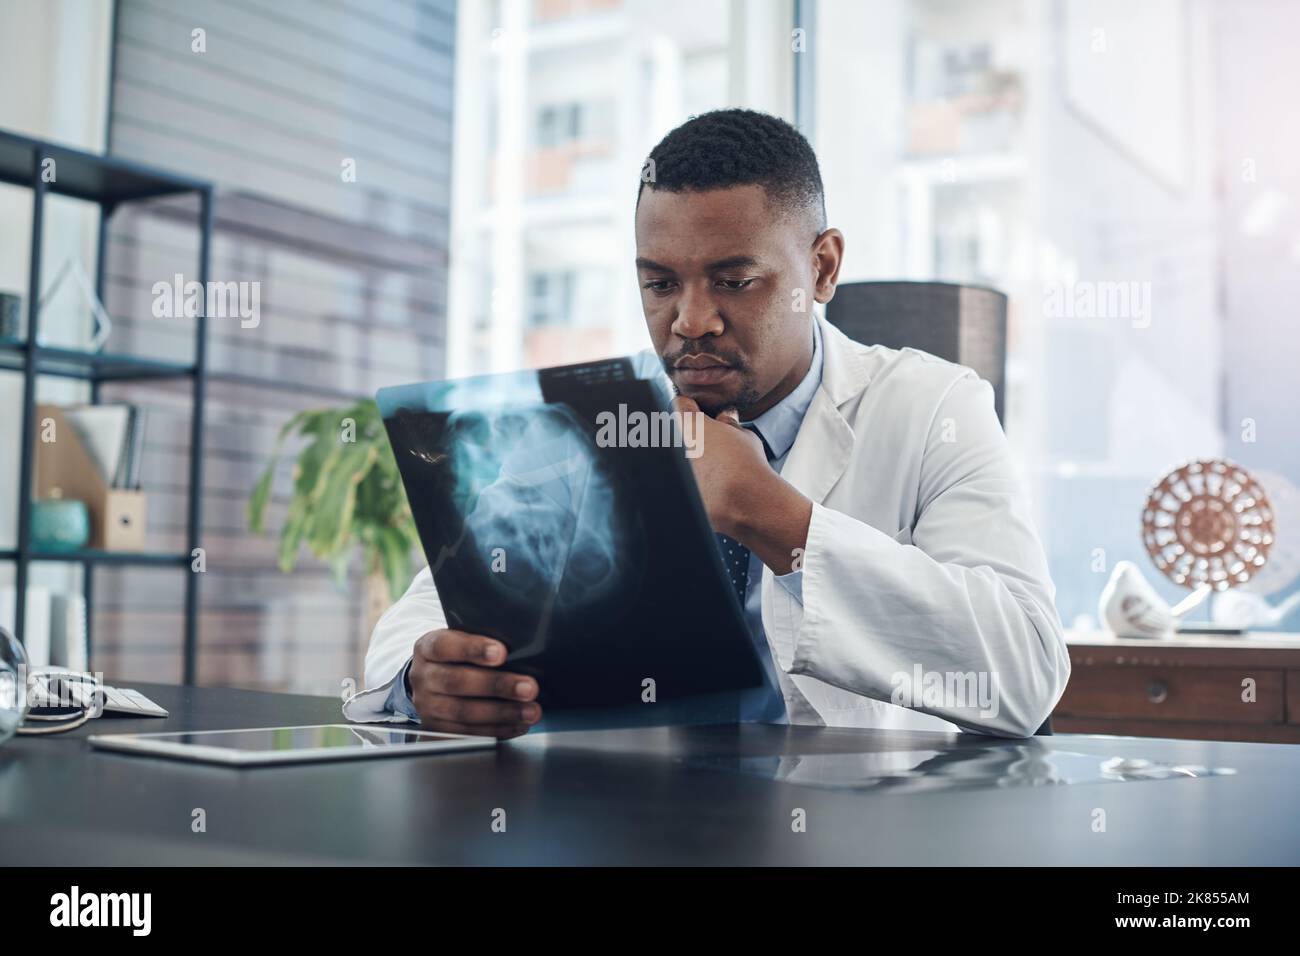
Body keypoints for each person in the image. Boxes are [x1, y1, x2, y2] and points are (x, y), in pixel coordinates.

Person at [343, 109, 1069, 739]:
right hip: (622, 822)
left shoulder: (934, 406)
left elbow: (1027, 673)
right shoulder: (601, 417)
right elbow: (424, 621)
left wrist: (768, 515)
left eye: (734, 281)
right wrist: (425, 680)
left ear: (821, 268)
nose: (690, 321)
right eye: (659, 283)